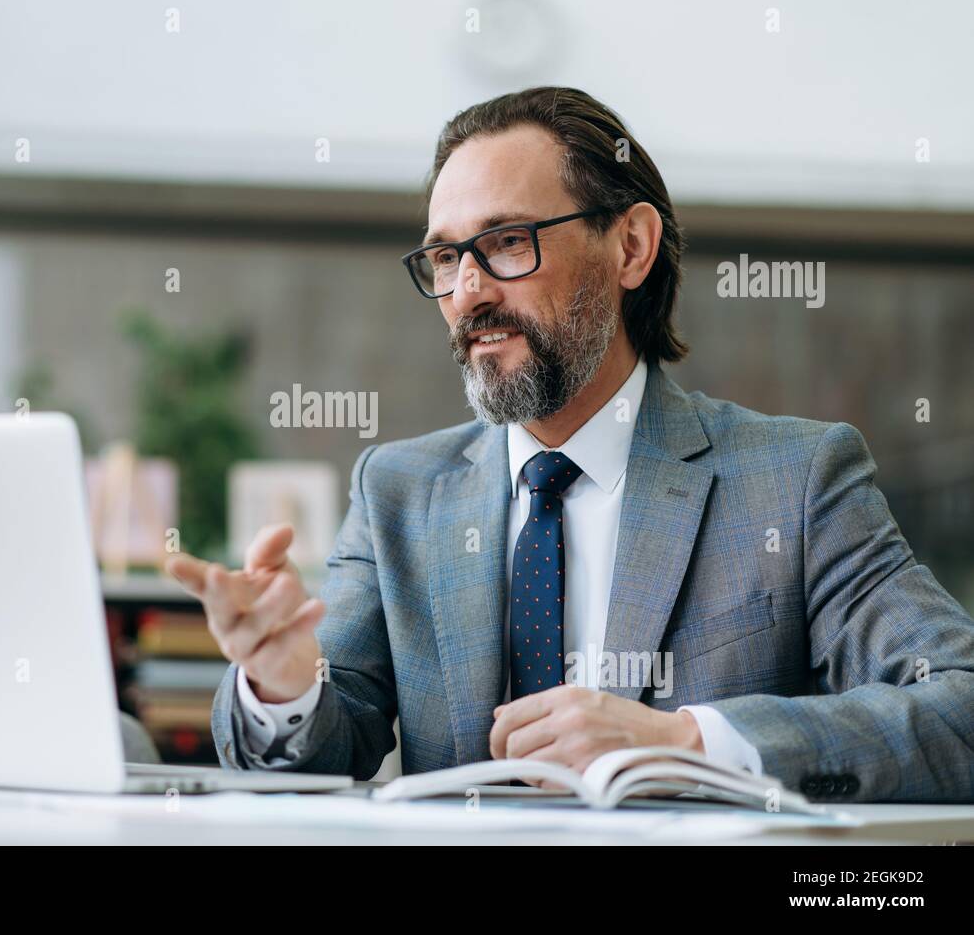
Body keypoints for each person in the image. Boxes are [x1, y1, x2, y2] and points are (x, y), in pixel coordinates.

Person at [167, 86, 974, 802]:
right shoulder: (398, 492)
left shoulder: (794, 481)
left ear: (630, 247)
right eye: (446, 257)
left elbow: (961, 707)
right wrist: (282, 686)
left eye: (508, 241)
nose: (470, 291)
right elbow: (324, 748)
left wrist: (686, 745)